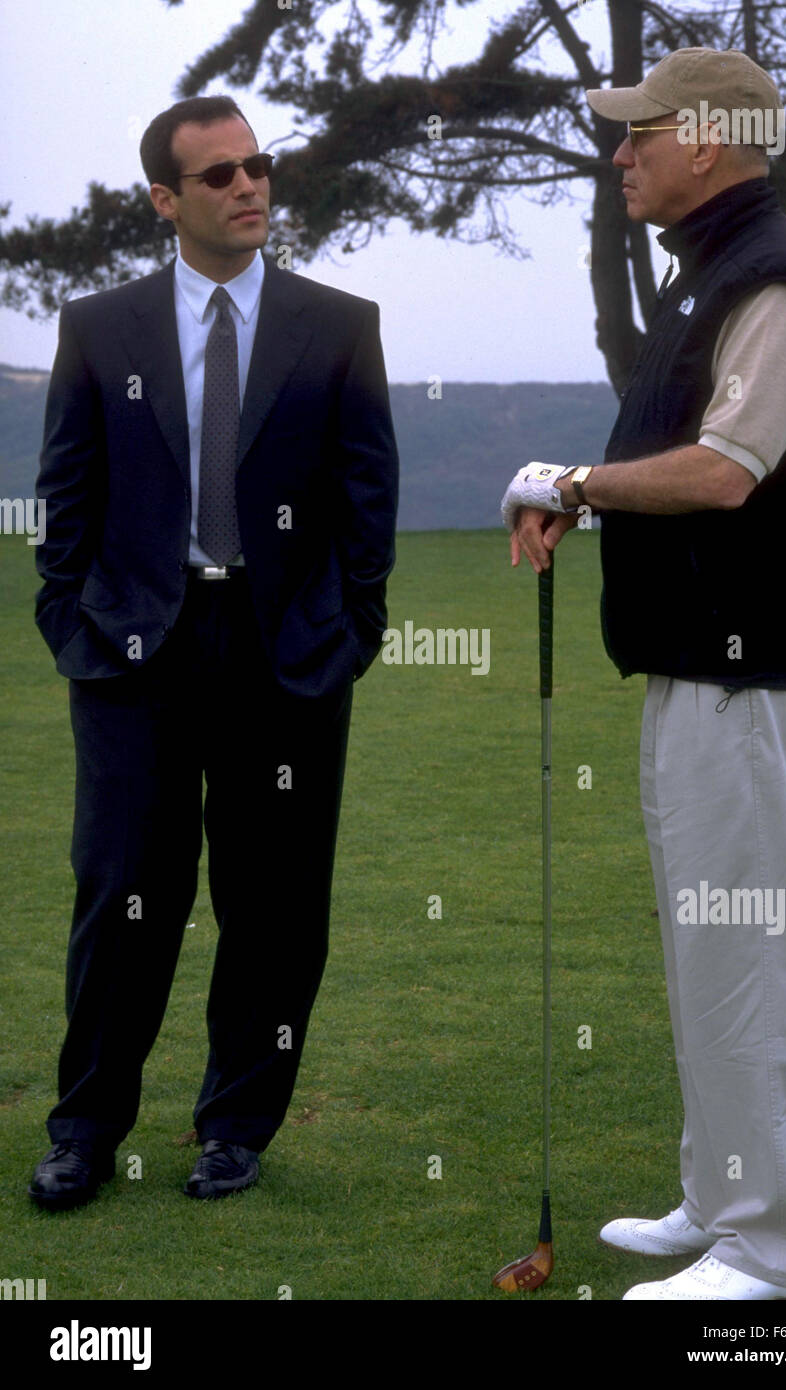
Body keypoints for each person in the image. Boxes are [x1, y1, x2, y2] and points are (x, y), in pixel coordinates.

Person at [501, 48, 786, 1300]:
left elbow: (723, 470)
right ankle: (720, 1199)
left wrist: (578, 484)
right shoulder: (709, 274)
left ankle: (776, 1251)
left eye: (634, 134)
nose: (617, 153)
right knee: (706, 947)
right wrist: (581, 496)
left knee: (742, 950)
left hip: (742, 677)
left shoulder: (770, 280)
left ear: (704, 139)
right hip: (697, 670)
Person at [30, 95, 398, 1208]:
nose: (250, 188)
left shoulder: (339, 324)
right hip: (136, 651)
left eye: (259, 167)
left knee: (275, 901)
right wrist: (73, 622)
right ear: (165, 199)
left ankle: (236, 1123)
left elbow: (363, 496)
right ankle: (85, 1130)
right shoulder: (102, 328)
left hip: (285, 652)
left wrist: (350, 627)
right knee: (122, 892)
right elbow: (68, 495)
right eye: (221, 175)